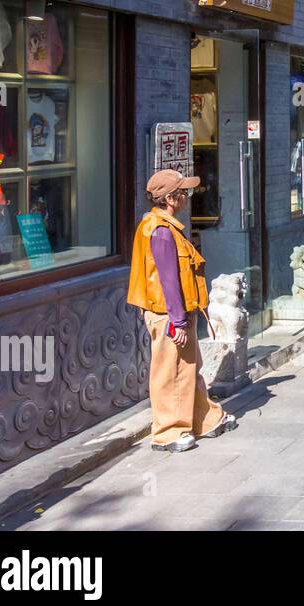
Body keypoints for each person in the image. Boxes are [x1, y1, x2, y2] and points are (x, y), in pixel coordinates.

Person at [127, 169, 237, 453]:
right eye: (183, 192)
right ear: (171, 198)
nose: (188, 196)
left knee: (188, 369)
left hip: (174, 311)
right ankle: (167, 432)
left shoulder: (161, 225)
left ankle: (205, 419)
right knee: (169, 372)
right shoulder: (161, 232)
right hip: (168, 313)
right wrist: (177, 322)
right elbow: (168, 282)